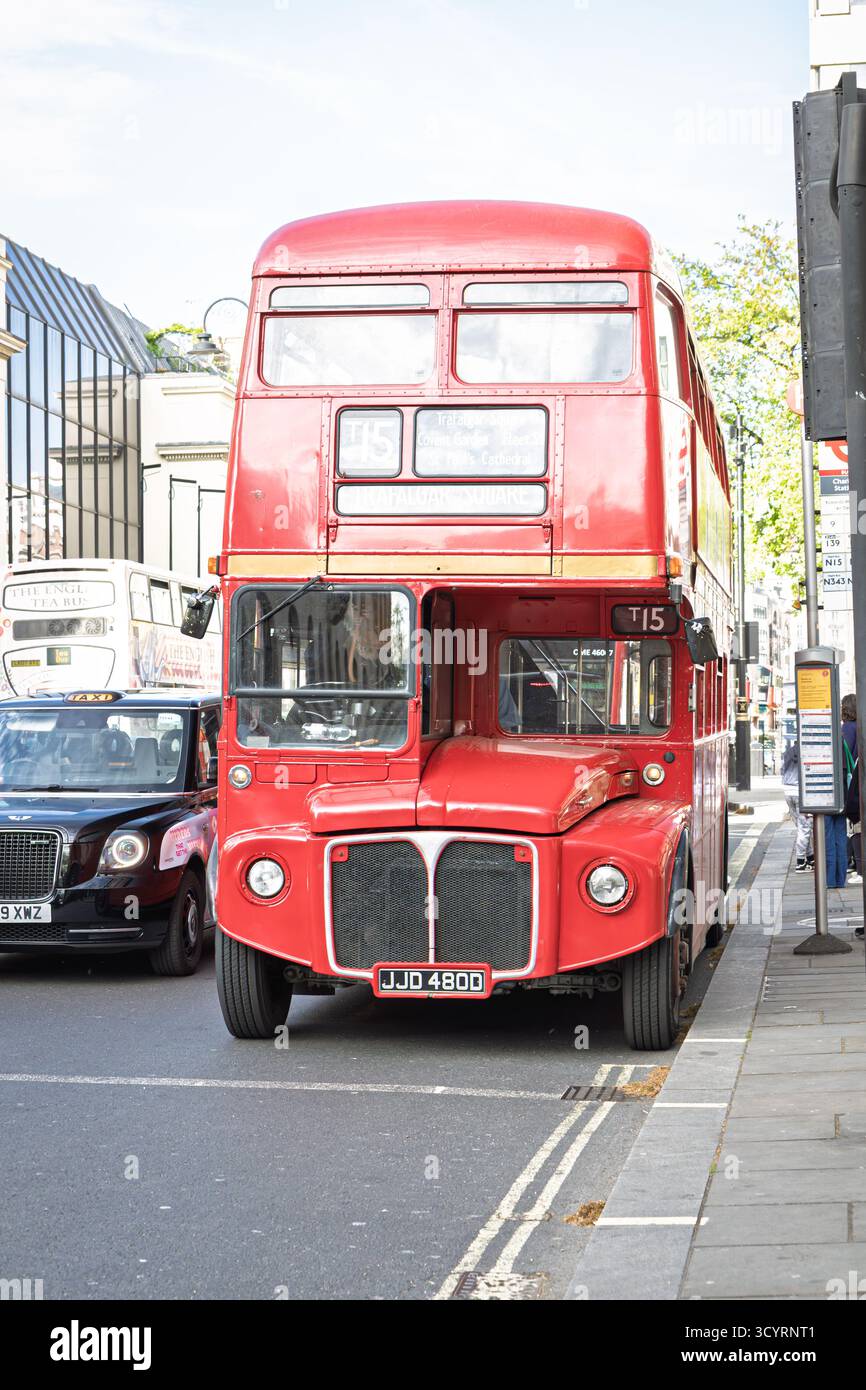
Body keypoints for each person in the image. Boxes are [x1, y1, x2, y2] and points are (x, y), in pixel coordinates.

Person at [781, 741, 813, 872]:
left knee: (801, 826)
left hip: (788, 791)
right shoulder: (808, 751)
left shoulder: (789, 751)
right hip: (801, 791)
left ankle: (810, 857)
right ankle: (800, 861)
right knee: (805, 827)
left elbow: (782, 770)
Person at [842, 693, 862, 885]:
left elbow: (844, 753)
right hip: (858, 774)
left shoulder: (848, 728)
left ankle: (853, 863)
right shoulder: (860, 726)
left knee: (854, 825)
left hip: (851, 777)